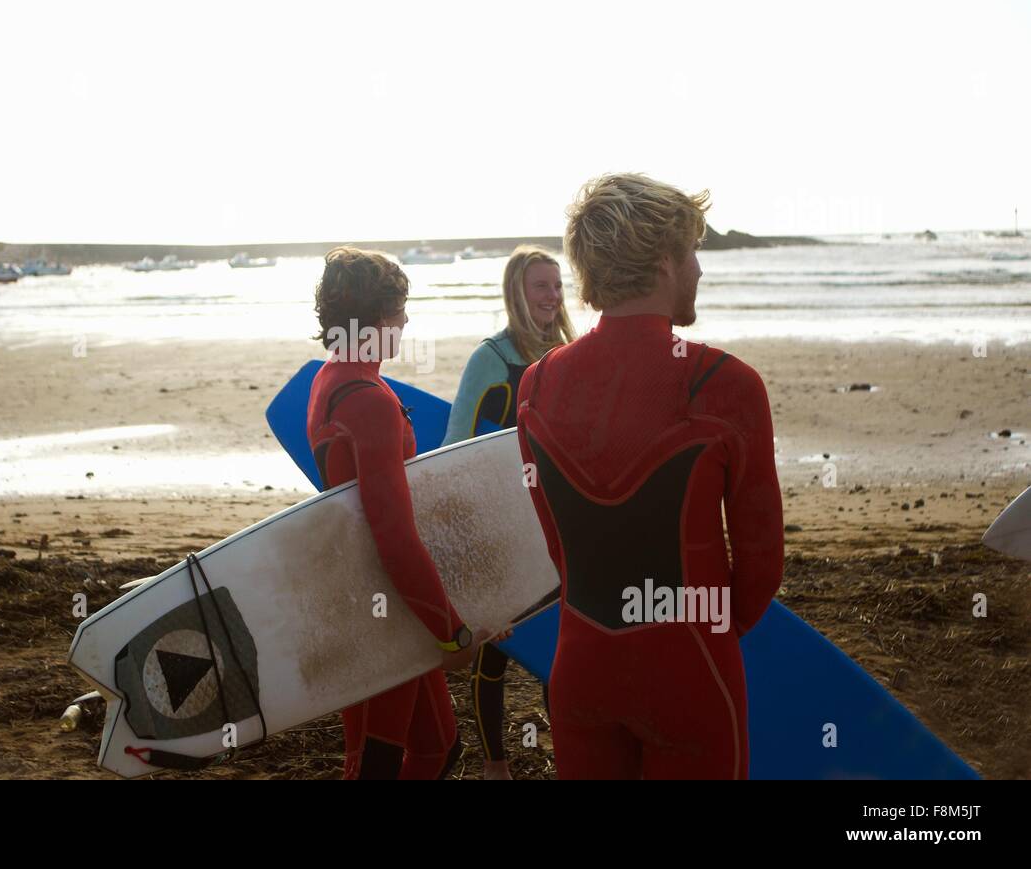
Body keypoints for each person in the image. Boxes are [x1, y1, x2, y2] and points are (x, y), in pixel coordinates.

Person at [516, 174, 784, 779]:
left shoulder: (537, 384)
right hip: (689, 673)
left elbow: (558, 545)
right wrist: (705, 635)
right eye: (692, 252)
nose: (698, 270)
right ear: (664, 261)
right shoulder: (725, 385)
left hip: (580, 671)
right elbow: (762, 566)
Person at [307, 246, 492, 779]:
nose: (406, 321)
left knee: (439, 745)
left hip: (370, 591)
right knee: (375, 765)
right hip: (382, 606)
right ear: (377, 320)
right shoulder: (370, 400)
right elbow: (392, 532)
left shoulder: (331, 379)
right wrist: (450, 632)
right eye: (400, 311)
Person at [441, 245, 575, 779]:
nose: (552, 296)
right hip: (499, 530)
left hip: (554, 528)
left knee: (558, 649)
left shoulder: (569, 353)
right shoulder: (491, 359)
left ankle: (568, 755)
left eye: (558, 285)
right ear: (516, 293)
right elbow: (453, 447)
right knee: (496, 650)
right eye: (541, 286)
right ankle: (496, 766)